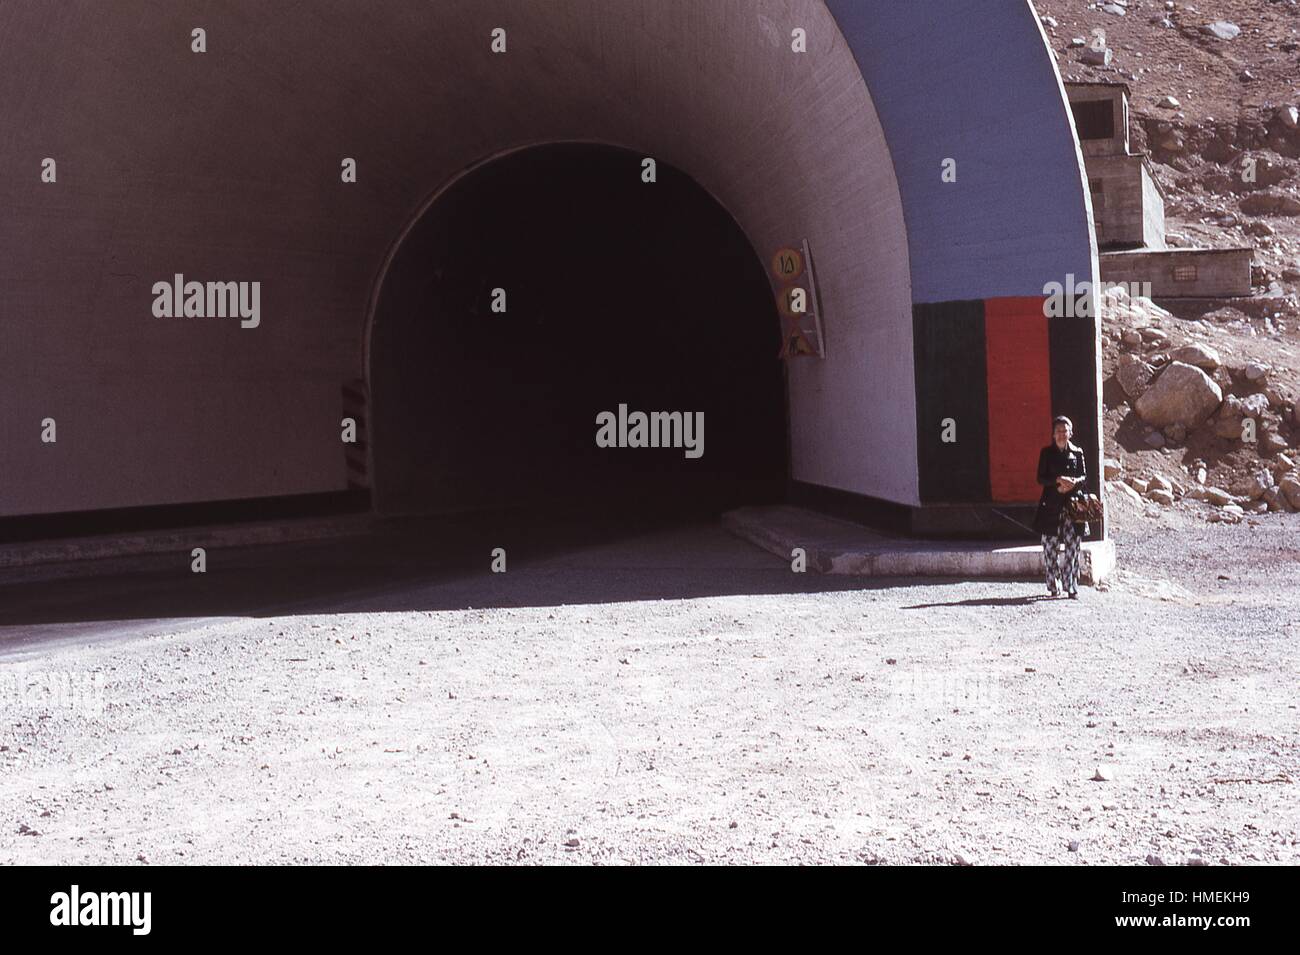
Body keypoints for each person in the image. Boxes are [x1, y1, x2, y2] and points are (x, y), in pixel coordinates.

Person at [1033, 415, 1087, 598]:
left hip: (1073, 507)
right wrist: (1057, 480)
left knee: (1073, 547)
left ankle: (1071, 585)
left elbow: (1084, 477)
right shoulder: (1046, 453)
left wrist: (1073, 482)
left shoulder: (1078, 452)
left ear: (1070, 433)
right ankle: (1053, 585)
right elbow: (1040, 478)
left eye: (1065, 431)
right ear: (1053, 434)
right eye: (1058, 431)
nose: (1062, 435)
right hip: (1051, 506)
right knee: (1050, 547)